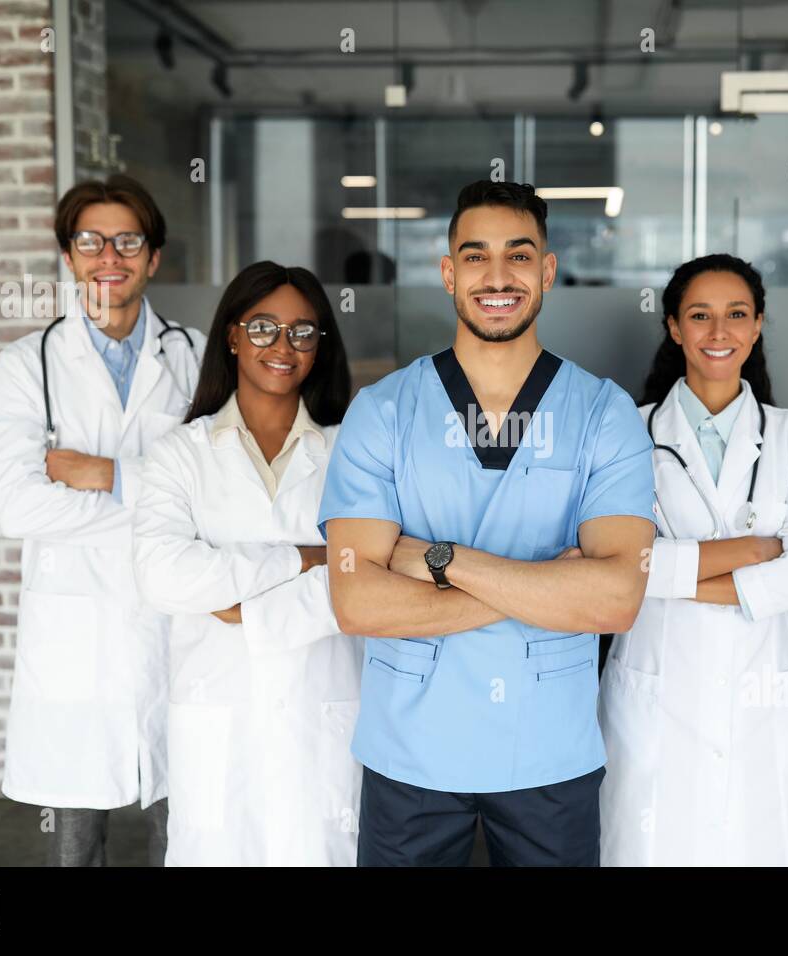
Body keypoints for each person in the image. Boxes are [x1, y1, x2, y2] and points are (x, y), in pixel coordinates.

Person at [319, 180, 656, 867]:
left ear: (548, 272)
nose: (497, 276)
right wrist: (546, 588)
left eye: (519, 255)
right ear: (448, 274)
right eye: (475, 257)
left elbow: (615, 600)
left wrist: (442, 560)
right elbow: (357, 601)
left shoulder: (602, 412)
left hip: (547, 752)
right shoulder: (382, 411)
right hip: (410, 753)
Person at [0, 174, 205, 865]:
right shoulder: (26, 366)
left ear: (155, 256)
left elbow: (218, 499)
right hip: (76, 643)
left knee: (188, 826)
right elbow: (18, 506)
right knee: (76, 843)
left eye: (129, 240)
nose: (111, 255)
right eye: (91, 241)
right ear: (70, 257)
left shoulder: (197, 357)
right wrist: (161, 506)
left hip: (179, 628)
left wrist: (102, 475)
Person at [598, 254, 788, 866]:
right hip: (654, 702)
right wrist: (755, 554)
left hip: (763, 706)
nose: (719, 332)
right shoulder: (626, 433)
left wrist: (671, 575)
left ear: (758, 325)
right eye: (700, 316)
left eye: (736, 315)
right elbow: (611, 564)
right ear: (675, 328)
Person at [133, 261, 362, 865]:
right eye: (262, 327)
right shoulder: (178, 455)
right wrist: (301, 558)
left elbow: (367, 577)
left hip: (324, 715)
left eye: (302, 331)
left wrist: (243, 601)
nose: (282, 346)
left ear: (320, 346)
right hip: (217, 717)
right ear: (232, 336)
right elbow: (162, 573)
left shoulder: (350, 453)